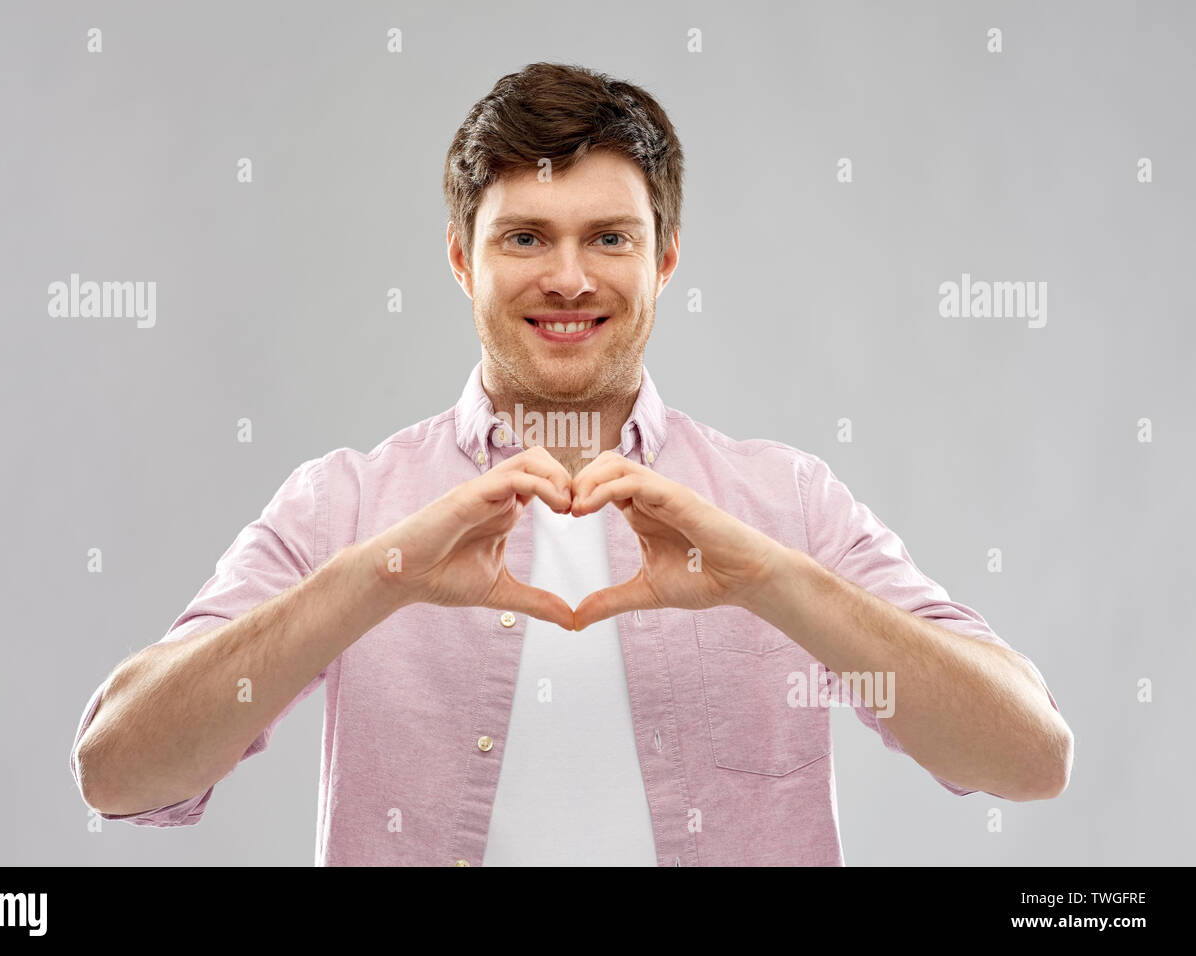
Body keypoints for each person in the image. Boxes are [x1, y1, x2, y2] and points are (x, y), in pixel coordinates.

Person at [70, 62, 1072, 866]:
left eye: (607, 236)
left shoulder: (786, 502)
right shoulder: (344, 505)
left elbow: (1028, 752)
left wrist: (774, 581)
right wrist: (375, 579)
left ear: (664, 258)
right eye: (524, 236)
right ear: (461, 260)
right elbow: (119, 769)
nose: (567, 276)